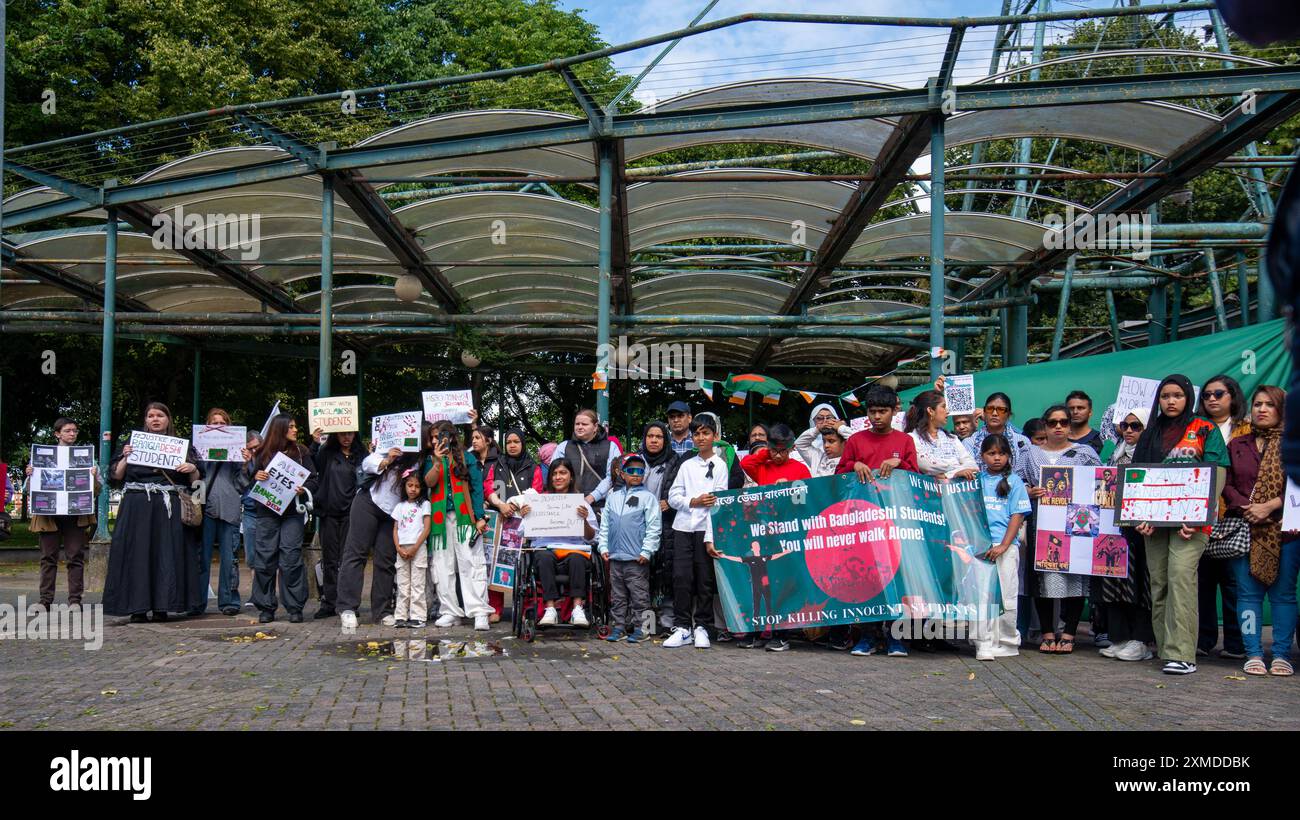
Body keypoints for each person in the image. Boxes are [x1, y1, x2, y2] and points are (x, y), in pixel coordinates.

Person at [1131, 374, 1230, 675]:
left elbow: (1218, 473)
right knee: (1159, 583)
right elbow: (1138, 477)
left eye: (1177, 395)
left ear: (1189, 398)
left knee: (1180, 579)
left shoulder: (1204, 428)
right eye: (1165, 396)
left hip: (1192, 524)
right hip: (1154, 523)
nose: (1171, 401)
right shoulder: (1150, 433)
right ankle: (1166, 650)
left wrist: (1198, 516)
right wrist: (1140, 517)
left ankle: (1183, 653)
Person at [836, 385, 919, 657]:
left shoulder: (905, 441)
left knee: (896, 576)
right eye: (872, 412)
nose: (877, 417)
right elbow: (839, 473)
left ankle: (896, 637)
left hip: (897, 520)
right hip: (863, 521)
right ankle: (868, 636)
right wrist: (853, 465)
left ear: (894, 411)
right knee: (868, 578)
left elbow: (916, 477)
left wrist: (899, 465)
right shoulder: (856, 441)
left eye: (883, 411)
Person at [103, 402, 204, 622]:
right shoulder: (131, 444)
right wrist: (126, 457)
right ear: (145, 420)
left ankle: (162, 606)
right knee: (137, 555)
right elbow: (116, 476)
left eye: (160, 415)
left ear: (168, 419)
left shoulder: (183, 447)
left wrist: (193, 468)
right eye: (150, 416)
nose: (155, 419)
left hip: (167, 507)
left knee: (165, 554)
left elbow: (197, 483)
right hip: (137, 506)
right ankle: (137, 608)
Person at [1017, 404, 1101, 655]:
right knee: (1043, 577)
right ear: (1045, 424)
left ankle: (1069, 633)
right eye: (1053, 422)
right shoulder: (1030, 453)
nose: (1058, 427)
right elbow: (1016, 480)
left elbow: (1101, 482)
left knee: (1076, 576)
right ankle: (1047, 632)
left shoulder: (1084, 452)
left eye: (1063, 422)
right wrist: (1028, 490)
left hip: (1078, 524)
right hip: (1042, 523)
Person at [1223, 385, 1295, 676]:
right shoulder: (1237, 445)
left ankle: (1281, 655)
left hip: (1287, 530)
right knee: (1248, 594)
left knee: (1284, 595)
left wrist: (1271, 506)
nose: (1262, 409)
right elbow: (1226, 483)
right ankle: (1252, 652)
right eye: (1257, 404)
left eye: (1270, 405)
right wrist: (1247, 507)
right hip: (1246, 527)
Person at [236, 413, 318, 624]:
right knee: (265, 559)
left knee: (290, 558)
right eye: (291, 426)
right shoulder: (262, 453)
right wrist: (255, 475)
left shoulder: (301, 452)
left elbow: (313, 480)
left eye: (295, 426)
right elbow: (243, 482)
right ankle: (266, 607)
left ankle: (294, 607)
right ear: (280, 429)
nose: (295, 430)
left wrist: (304, 488)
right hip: (266, 513)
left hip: (292, 513)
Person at [337, 433, 423, 630]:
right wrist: (387, 460)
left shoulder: (420, 459)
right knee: (356, 553)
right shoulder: (392, 445)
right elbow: (368, 463)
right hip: (369, 502)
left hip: (393, 512)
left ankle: (382, 611)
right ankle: (347, 608)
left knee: (385, 560)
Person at [738, 423, 812, 652]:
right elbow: (745, 463)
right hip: (763, 535)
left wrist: (789, 489)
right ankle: (758, 631)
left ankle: (782, 634)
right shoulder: (763, 466)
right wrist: (764, 454)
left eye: (783, 451)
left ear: (790, 449)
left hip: (787, 535)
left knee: (781, 585)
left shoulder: (801, 469)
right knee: (759, 585)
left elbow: (804, 502)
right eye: (774, 450)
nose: (778, 456)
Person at [1196, 374, 1251, 660]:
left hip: (1236, 514)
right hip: (1198, 515)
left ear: (1233, 396)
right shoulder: (1194, 430)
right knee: (1202, 583)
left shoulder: (1247, 429)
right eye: (1206, 395)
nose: (1212, 399)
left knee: (1234, 584)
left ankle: (1235, 643)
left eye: (1219, 393)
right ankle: (1203, 640)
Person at [1096, 406, 1155, 662]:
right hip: (1114, 528)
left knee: (1140, 584)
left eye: (1136, 426)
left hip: (1140, 529)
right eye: (1124, 425)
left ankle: (1141, 640)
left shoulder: (1152, 455)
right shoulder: (1115, 452)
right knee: (1116, 582)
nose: (1128, 431)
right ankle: (1120, 638)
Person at [664, 417, 729, 649]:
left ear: (715, 436)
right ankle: (682, 627)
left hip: (705, 530)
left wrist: (711, 537)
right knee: (681, 577)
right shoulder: (686, 465)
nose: (701, 438)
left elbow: (718, 504)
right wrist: (693, 501)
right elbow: (673, 497)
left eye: (705, 433)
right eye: (697, 434)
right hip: (683, 527)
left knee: (704, 579)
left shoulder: (720, 466)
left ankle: (702, 626)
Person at [424, 420, 491, 630]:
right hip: (440, 521)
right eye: (433, 437)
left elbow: (477, 488)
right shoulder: (431, 458)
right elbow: (429, 482)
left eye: (438, 436)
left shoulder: (467, 457)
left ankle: (479, 611)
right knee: (442, 567)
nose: (435, 440)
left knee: (471, 563)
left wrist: (480, 516)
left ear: (450, 437)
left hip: (465, 519)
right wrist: (437, 461)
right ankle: (450, 611)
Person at [26, 417, 96, 610]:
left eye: (74, 430)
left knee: (75, 556)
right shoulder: (40, 458)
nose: (72, 434)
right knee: (48, 557)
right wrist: (30, 475)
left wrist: (93, 477)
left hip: (76, 515)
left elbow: (96, 489)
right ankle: (45, 600)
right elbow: (30, 489)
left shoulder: (86, 458)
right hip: (49, 516)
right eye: (68, 430)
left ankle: (75, 600)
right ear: (57, 434)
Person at [520, 457, 598, 627]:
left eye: (563, 473)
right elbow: (522, 533)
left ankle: (578, 609)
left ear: (571, 477)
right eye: (554, 473)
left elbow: (592, 537)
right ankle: (550, 609)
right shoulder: (539, 502)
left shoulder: (582, 503)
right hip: (546, 552)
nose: (558, 477)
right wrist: (526, 516)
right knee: (543, 557)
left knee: (577, 558)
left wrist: (584, 520)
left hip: (574, 551)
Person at [975, 434, 1031, 661]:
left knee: (1007, 595)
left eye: (1001, 453)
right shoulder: (976, 481)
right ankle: (983, 642)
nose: (997, 458)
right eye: (991, 453)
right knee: (981, 597)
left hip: (1006, 547)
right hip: (980, 547)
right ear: (982, 456)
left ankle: (1007, 641)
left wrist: (1004, 545)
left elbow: (1016, 516)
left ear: (1009, 456)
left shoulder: (1015, 482)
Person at [597, 454, 661, 642]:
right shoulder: (613, 497)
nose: (635, 474)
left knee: (639, 595)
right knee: (618, 596)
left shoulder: (648, 498)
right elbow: (605, 525)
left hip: (636, 558)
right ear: (622, 474)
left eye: (640, 471)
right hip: (616, 557)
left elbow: (653, 526)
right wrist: (603, 547)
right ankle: (619, 626)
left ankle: (643, 629)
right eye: (631, 471)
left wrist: (647, 551)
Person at [310, 428, 363, 619]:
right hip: (329, 512)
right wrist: (315, 443)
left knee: (349, 559)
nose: (347, 437)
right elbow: (312, 466)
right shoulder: (327, 454)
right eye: (342, 434)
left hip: (352, 513)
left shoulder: (361, 456)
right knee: (330, 559)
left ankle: (347, 602)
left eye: (350, 434)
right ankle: (329, 601)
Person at [194, 408, 243, 616]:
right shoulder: (197, 449)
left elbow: (243, 483)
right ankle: (196, 602)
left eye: (222, 423)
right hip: (205, 508)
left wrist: (245, 461)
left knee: (229, 558)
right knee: (200, 558)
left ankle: (229, 601)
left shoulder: (237, 452)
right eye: (214, 423)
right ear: (207, 426)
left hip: (229, 509)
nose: (218, 426)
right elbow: (194, 480)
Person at [551, 409, 622, 510]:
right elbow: (553, 474)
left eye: (584, 424)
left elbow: (613, 475)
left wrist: (592, 497)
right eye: (577, 424)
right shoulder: (563, 446)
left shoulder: (611, 446)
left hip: (601, 506)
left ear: (595, 427)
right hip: (568, 506)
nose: (580, 427)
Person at [391, 470, 433, 629]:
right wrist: (398, 548)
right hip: (401, 549)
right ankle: (401, 616)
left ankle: (418, 616)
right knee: (403, 584)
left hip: (419, 548)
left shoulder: (425, 504)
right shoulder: (399, 506)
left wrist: (415, 547)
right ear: (404, 486)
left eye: (417, 486)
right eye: (410, 485)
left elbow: (427, 528)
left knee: (417, 584)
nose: (413, 489)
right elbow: (395, 529)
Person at [906, 391, 978, 480]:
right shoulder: (912, 439)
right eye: (943, 406)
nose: (947, 411)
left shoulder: (952, 438)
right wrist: (957, 470)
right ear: (930, 411)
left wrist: (945, 476)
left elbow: (972, 465)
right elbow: (928, 466)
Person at [963, 392, 1031, 467]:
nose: (994, 413)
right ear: (984, 412)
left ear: (1008, 415)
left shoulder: (1022, 442)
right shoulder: (970, 443)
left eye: (1001, 409)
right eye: (989, 409)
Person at [794, 412, 852, 478]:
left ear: (844, 443)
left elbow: (858, 441)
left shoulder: (852, 458)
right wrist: (817, 429)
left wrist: (841, 428)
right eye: (824, 441)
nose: (826, 445)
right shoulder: (817, 458)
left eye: (831, 441)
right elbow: (799, 444)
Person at [1065, 391, 1104, 457]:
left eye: (1080, 408)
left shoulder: (1100, 440)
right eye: (1071, 408)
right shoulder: (1058, 439)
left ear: (1090, 412)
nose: (1075, 412)